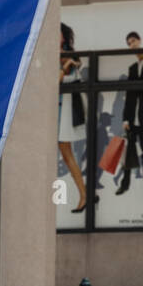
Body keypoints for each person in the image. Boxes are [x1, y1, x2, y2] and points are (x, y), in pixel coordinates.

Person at [116, 31, 143, 199]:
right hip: (132, 119)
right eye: (129, 43)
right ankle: (124, 185)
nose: (131, 44)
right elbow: (130, 96)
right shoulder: (132, 69)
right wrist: (125, 119)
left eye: (133, 41)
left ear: (140, 41)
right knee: (128, 153)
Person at [58, 24, 88, 214]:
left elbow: (61, 79)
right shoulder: (53, 52)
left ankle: (84, 195)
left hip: (65, 109)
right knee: (67, 155)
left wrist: (67, 65)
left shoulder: (68, 53)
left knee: (67, 155)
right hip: (57, 108)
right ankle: (85, 194)